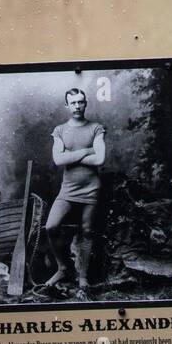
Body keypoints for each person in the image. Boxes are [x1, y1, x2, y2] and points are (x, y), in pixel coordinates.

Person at [44, 87, 106, 298]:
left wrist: (70, 155)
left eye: (81, 102)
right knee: (51, 226)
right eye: (73, 103)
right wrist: (88, 150)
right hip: (68, 189)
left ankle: (83, 276)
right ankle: (63, 268)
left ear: (86, 103)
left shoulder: (96, 128)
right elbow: (58, 160)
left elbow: (100, 160)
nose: (77, 106)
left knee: (87, 231)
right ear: (67, 106)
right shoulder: (60, 130)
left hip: (91, 188)